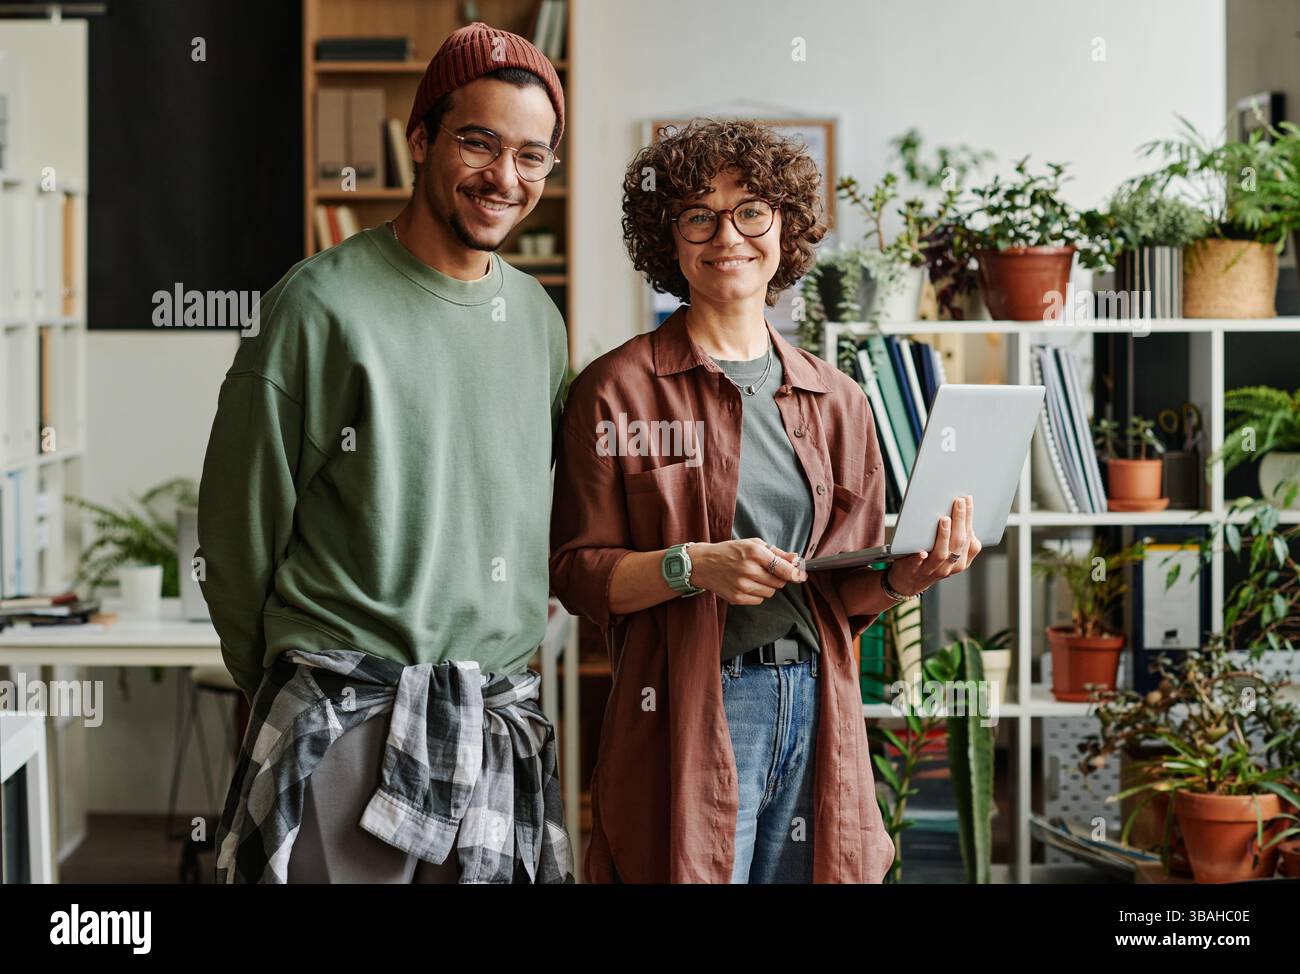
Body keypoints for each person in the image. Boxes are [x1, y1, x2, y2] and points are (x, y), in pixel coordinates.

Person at [549, 119, 981, 883]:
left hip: (819, 701)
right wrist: (691, 567)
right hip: (695, 702)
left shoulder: (837, 398)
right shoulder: (616, 388)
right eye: (698, 215)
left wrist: (908, 576)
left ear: (784, 226)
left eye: (752, 210)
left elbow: (840, 586)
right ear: (669, 238)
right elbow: (578, 573)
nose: (729, 236)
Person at [197, 22, 572, 884]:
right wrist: (275, 683)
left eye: (532, 156)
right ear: (419, 140)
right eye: (479, 142)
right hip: (345, 712)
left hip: (494, 716)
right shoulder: (317, 305)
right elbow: (237, 526)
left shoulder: (539, 324)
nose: (504, 178)